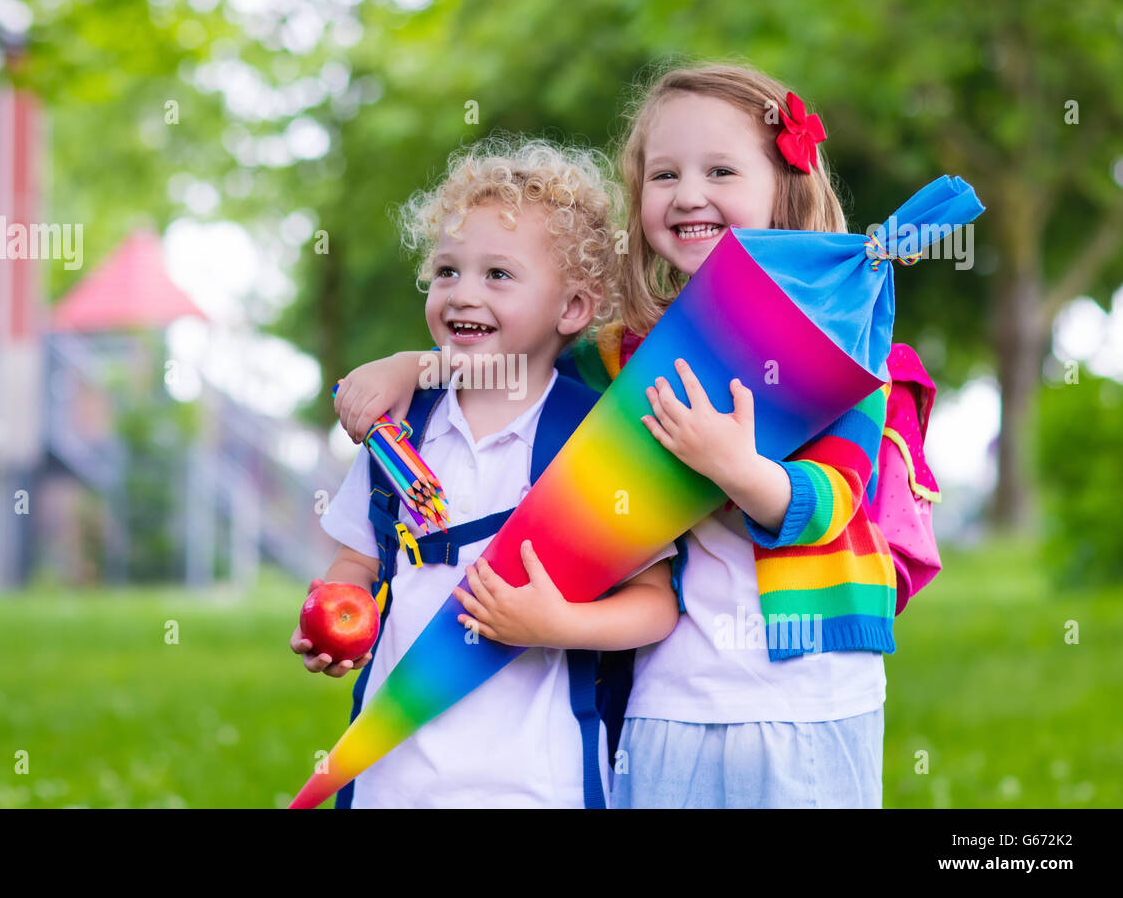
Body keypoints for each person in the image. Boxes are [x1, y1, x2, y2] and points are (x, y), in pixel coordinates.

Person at [335, 64, 894, 808]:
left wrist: (734, 466)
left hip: (808, 693)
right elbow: (514, 359)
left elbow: (833, 502)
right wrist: (412, 365)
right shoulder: (616, 358)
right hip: (667, 692)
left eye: (720, 170)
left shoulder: (843, 343)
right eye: (664, 174)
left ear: (784, 186)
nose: (689, 193)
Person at [295, 135, 678, 807]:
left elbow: (655, 604)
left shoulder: (598, 442)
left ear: (573, 310)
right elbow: (355, 564)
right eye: (446, 271)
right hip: (390, 775)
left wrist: (558, 626)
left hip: (535, 782)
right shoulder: (398, 430)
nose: (462, 294)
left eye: (497, 275)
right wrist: (333, 620)